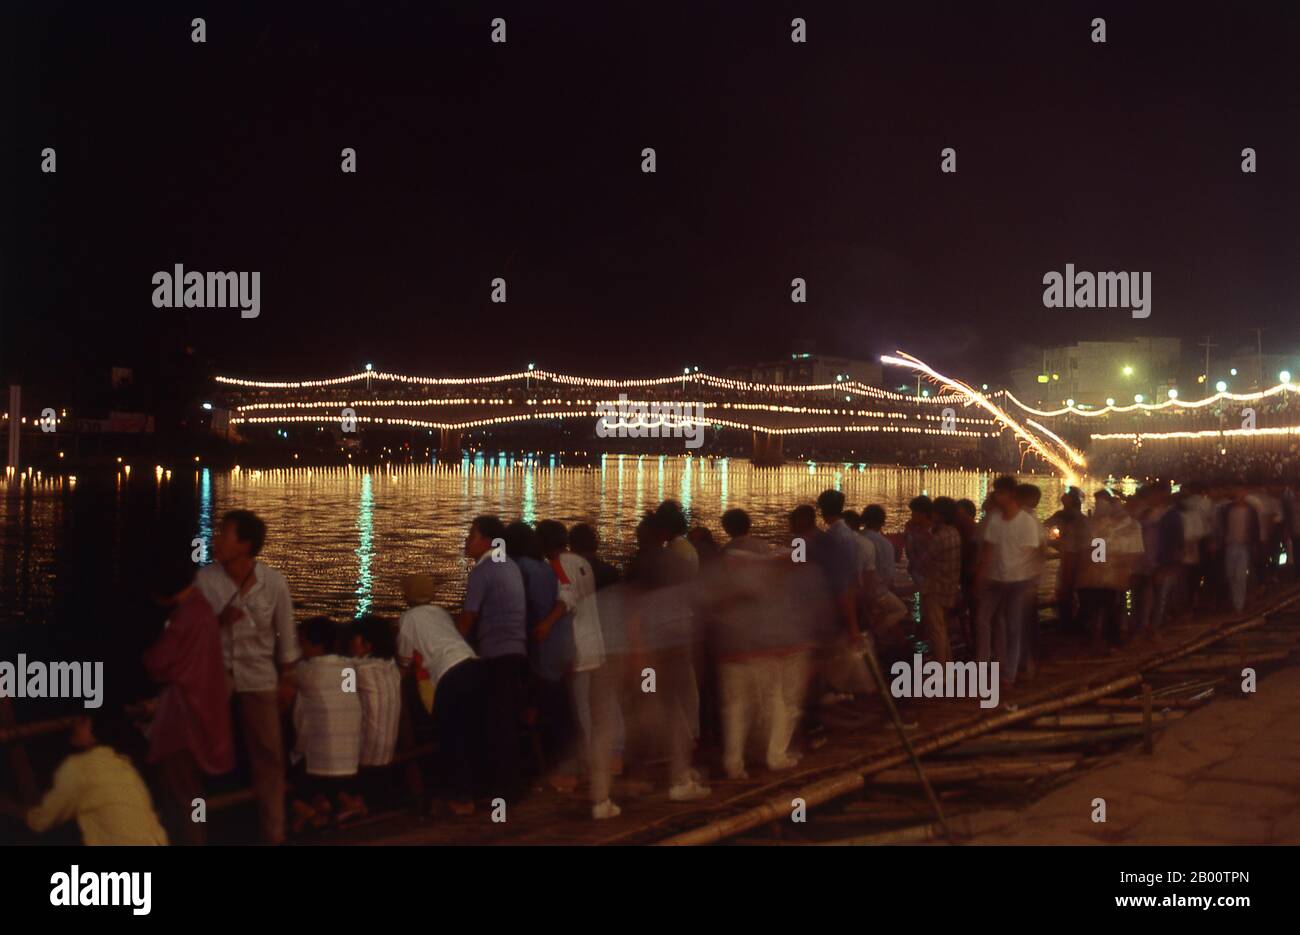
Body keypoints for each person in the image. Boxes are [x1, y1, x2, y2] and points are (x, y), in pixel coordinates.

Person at [195, 509, 299, 845]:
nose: (217, 541)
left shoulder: (274, 583)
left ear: (245, 544)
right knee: (201, 750)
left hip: (258, 675)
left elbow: (286, 634)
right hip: (218, 675)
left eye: (225, 534)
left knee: (269, 755)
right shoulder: (206, 581)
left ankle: (274, 833)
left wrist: (288, 678)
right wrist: (217, 621)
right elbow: (189, 633)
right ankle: (198, 830)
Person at [142, 547, 234, 845]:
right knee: (192, 791)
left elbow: (159, 661)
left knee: (180, 790)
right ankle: (199, 836)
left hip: (180, 715)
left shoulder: (182, 619)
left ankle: (192, 840)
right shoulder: (202, 609)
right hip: (203, 708)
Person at [538, 519, 622, 819]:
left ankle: (587, 762)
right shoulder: (583, 562)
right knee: (596, 706)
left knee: (580, 710)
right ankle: (610, 756)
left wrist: (546, 624)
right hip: (595, 642)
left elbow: (566, 597)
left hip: (577, 646)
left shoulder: (559, 564)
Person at [7, 715, 167, 845]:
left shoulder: (79, 768)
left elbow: (41, 820)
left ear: (94, 733)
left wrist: (9, 807)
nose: (75, 725)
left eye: (83, 722)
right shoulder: (124, 766)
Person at [399, 574, 482, 816]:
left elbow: (404, 658)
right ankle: (478, 791)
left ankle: (461, 799)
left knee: (451, 737)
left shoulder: (408, 618)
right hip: (473, 665)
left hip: (449, 673)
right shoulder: (441, 613)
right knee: (470, 733)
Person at [457, 515, 527, 801]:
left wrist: (450, 645)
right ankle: (511, 786)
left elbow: (468, 617)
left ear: (486, 540)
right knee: (506, 722)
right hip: (516, 651)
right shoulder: (509, 565)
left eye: (471, 535)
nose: (466, 541)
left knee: (495, 725)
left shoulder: (483, 570)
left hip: (497, 653)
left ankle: (501, 790)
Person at [290, 617, 364, 831]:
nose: (298, 648)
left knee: (291, 759)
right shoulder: (348, 667)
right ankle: (328, 804)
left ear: (317, 645)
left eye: (301, 642)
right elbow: (347, 697)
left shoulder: (306, 671)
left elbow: (300, 720)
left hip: (320, 763)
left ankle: (310, 808)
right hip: (350, 754)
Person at [974, 476, 1043, 687]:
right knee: (982, 620)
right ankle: (983, 664)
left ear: (1011, 494)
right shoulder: (995, 518)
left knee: (1013, 626)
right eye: (996, 492)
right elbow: (988, 549)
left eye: (1000, 492)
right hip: (996, 578)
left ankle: (1009, 674)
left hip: (1018, 581)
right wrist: (981, 575)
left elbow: (1033, 552)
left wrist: (1031, 579)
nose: (997, 496)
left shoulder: (1027, 522)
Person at [348, 616, 402, 806]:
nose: (350, 644)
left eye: (354, 639)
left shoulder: (355, 669)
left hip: (365, 756)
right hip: (387, 753)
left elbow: (344, 696)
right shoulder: (393, 668)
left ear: (368, 645)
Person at [919, 498, 963, 664]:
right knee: (942, 628)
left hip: (935, 588)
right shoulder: (954, 533)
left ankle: (941, 670)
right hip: (949, 586)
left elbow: (923, 562)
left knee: (936, 631)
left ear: (940, 515)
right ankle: (947, 665)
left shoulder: (939, 537)